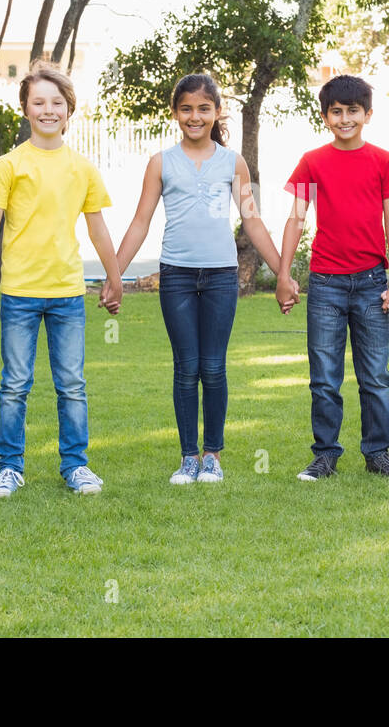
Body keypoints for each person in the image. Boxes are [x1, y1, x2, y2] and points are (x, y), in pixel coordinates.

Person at [114, 74, 295, 485]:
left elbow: (252, 220)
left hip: (220, 278)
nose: (195, 117)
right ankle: (187, 458)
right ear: (176, 113)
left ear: (216, 112)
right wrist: (114, 275)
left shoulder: (233, 163)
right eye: (186, 109)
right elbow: (140, 222)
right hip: (176, 275)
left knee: (213, 367)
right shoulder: (161, 162)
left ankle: (212, 455)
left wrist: (283, 273)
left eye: (203, 108)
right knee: (185, 367)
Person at [0, 58, 122, 497]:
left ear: (69, 109)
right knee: (15, 385)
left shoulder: (82, 167)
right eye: (38, 102)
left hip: (68, 293)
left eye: (56, 102)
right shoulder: (9, 166)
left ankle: (76, 467)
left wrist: (115, 276)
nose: (48, 110)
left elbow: (97, 226)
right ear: (26, 109)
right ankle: (9, 467)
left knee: (72, 385)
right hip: (20, 295)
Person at [274, 75, 389, 480]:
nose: (345, 118)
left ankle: (378, 454)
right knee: (324, 378)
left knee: (375, 378)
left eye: (353, 111)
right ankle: (325, 456)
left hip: (372, 283)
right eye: (337, 111)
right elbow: (296, 218)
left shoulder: (383, 161)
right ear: (325, 116)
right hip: (325, 284)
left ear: (368, 114)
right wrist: (284, 274)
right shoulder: (313, 161)